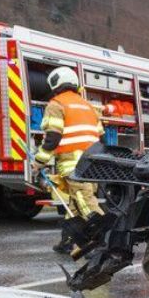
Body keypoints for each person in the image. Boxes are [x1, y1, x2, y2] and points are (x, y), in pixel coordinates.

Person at [32, 67, 105, 254]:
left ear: (55, 84)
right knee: (74, 203)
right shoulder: (88, 106)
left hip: (74, 166)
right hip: (93, 163)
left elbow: (52, 139)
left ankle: (103, 242)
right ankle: (67, 241)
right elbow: (100, 136)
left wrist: (39, 162)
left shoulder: (56, 105)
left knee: (85, 202)